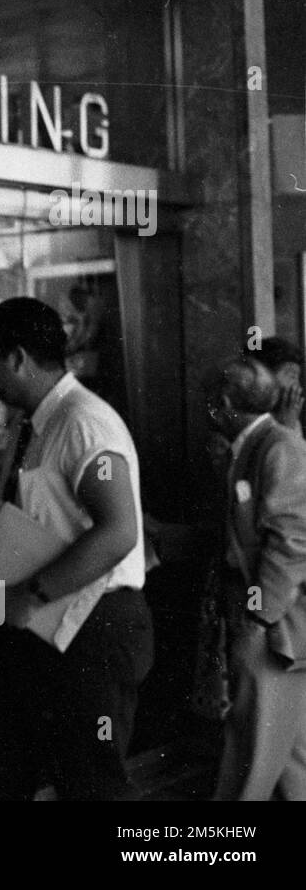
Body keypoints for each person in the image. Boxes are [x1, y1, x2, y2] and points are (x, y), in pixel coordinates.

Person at [0, 297, 152, 800]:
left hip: (90, 624)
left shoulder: (83, 423)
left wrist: (35, 594)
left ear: (19, 358)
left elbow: (118, 531)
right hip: (38, 624)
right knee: (1, 769)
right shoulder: (34, 424)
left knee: (91, 781)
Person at [204, 357, 306, 800]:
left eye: (210, 402)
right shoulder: (249, 448)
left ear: (224, 403)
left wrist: (257, 618)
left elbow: (292, 542)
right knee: (291, 757)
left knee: (249, 756)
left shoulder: (277, 446)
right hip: (268, 624)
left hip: (271, 629)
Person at [243, 336, 304, 438]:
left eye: (298, 377)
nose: (298, 386)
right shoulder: (248, 420)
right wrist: (287, 428)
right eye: (291, 376)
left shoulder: (290, 416)